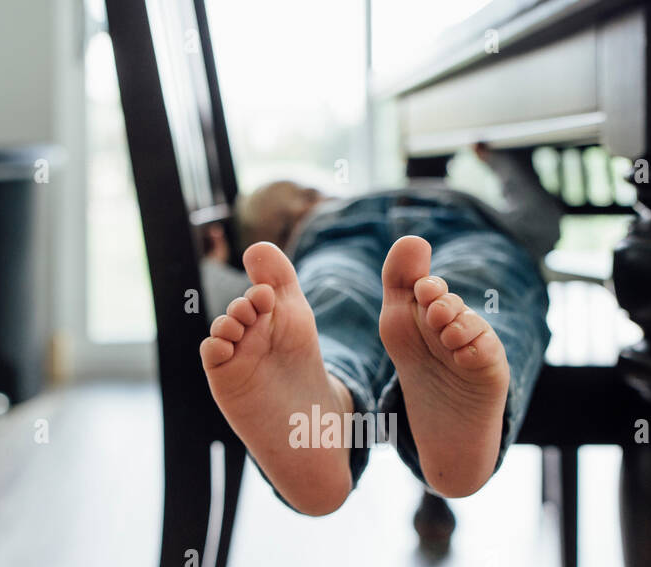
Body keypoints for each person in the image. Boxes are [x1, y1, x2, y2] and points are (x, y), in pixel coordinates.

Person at [199, 146, 561, 516]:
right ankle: (451, 375)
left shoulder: (317, 229)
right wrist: (504, 160)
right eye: (300, 204)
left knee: (332, 302)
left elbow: (246, 308)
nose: (307, 204)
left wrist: (211, 267)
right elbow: (540, 226)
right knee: (479, 290)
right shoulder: (439, 195)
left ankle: (331, 403)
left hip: (334, 245)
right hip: (466, 229)